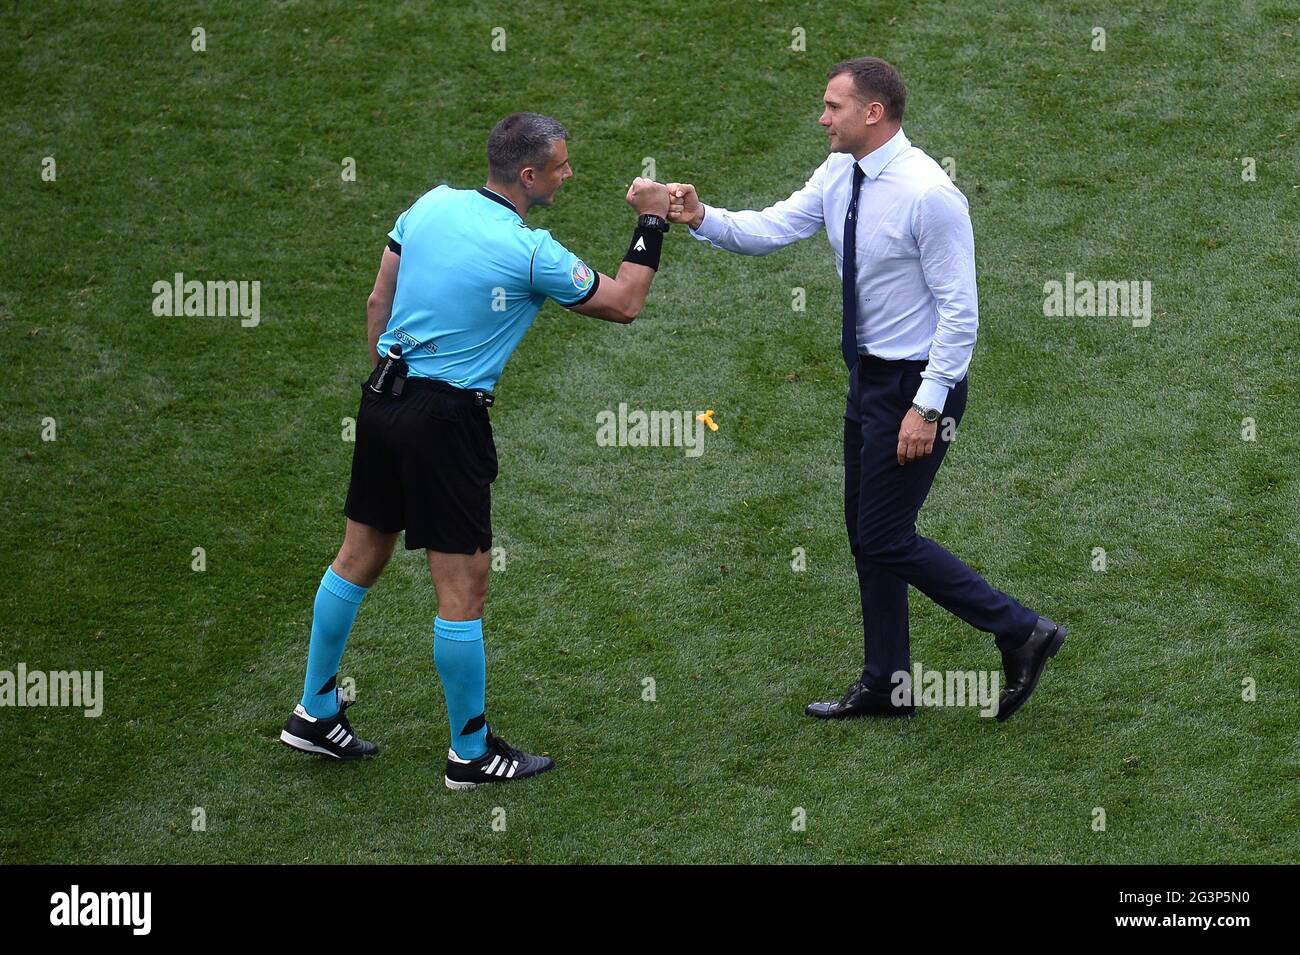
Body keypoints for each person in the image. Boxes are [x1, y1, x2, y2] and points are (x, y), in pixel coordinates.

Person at [280, 112, 673, 787]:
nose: (568, 173)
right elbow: (624, 302)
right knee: (463, 587)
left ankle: (314, 711)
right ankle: (470, 751)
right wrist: (653, 222)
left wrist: (392, 384)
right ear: (528, 175)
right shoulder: (529, 251)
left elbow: (380, 300)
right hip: (445, 423)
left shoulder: (430, 204)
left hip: (383, 400)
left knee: (359, 553)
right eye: (560, 166)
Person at [667, 58, 1065, 722]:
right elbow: (771, 229)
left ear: (872, 113)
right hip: (870, 380)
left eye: (833, 106)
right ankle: (885, 682)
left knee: (883, 535)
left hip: (915, 387)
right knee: (866, 531)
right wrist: (698, 215)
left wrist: (926, 405)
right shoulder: (838, 173)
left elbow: (961, 311)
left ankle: (1020, 629)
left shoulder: (929, 195)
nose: (822, 118)